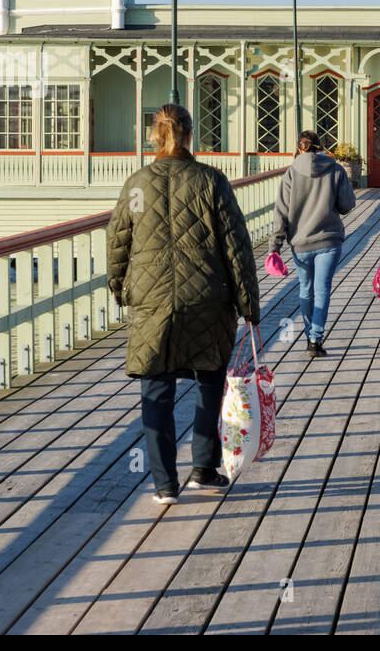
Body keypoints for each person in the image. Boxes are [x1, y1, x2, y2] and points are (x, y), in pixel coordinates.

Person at [107, 103, 260, 506]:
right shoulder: (211, 181)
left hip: (152, 302)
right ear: (190, 135)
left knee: (156, 388)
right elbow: (237, 247)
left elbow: (118, 243)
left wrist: (121, 288)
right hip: (207, 297)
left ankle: (164, 484)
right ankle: (204, 469)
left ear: (154, 136)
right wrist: (248, 303)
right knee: (209, 379)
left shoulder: (137, 184)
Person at [270, 130, 356, 357]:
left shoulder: (290, 173)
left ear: (299, 149)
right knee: (322, 290)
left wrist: (275, 246)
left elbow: (281, 211)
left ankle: (310, 334)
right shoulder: (336, 169)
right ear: (319, 147)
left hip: (300, 242)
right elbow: (347, 204)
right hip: (328, 239)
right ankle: (315, 339)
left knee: (305, 290)